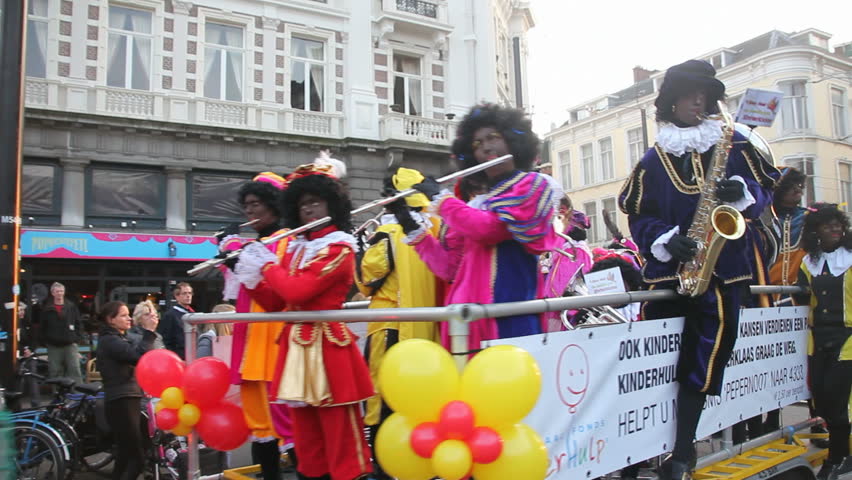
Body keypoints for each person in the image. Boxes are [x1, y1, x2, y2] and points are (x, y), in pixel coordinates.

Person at [618, 60, 779, 480]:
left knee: (703, 359)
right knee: (656, 361)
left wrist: (743, 194)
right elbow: (639, 216)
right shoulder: (653, 161)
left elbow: (764, 194)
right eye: (692, 95)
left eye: (706, 96)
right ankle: (640, 454)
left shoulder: (733, 145)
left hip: (722, 271)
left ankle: (684, 451)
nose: (700, 103)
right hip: (670, 276)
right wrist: (665, 240)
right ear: (671, 101)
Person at [235, 163, 375, 480]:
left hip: (328, 347)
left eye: (315, 202)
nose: (308, 209)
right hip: (295, 346)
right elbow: (276, 303)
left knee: (341, 436)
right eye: (302, 204)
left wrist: (268, 265)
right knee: (307, 438)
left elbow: (298, 290)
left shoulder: (339, 247)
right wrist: (250, 276)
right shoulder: (296, 248)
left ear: (331, 204)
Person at [409, 103, 561, 351]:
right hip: (468, 321)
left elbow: (489, 229)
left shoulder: (531, 185)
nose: (485, 147)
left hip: (507, 316)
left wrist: (442, 200)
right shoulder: (476, 205)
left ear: (513, 140)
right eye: (477, 144)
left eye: (493, 138)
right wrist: (410, 227)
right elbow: (449, 268)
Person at [356, 168, 441, 479]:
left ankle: (383, 466)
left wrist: (359, 247)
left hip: (389, 329)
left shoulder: (390, 232)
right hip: (427, 333)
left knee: (382, 400)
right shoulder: (436, 228)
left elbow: (367, 280)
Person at [218, 172, 296, 480]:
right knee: (260, 427)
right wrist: (229, 257)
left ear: (273, 205)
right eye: (246, 205)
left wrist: (237, 256)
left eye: (256, 204)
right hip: (253, 343)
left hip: (276, 343)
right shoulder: (259, 242)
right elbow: (239, 291)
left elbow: (274, 286)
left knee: (288, 426)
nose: (249, 212)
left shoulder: (288, 238)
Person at [793, 204, 852, 480]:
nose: (835, 229)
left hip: (847, 337)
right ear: (816, 230)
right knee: (821, 399)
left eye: (838, 224)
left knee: (838, 402)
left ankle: (837, 458)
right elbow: (801, 299)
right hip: (818, 339)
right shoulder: (808, 263)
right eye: (828, 225)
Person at [96, 300, 158, 480]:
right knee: (136, 458)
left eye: (128, 314)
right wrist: (149, 333)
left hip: (129, 397)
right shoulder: (109, 340)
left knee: (124, 455)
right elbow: (137, 356)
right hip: (121, 400)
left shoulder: (121, 338)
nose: (128, 318)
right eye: (123, 315)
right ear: (111, 319)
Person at [40, 282, 84, 384]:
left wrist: (76, 338)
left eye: (61, 291)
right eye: (57, 291)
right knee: (55, 371)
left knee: (74, 369)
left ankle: (77, 395)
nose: (60, 293)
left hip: (70, 344)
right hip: (53, 345)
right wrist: (46, 341)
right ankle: (58, 395)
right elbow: (43, 327)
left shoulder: (71, 307)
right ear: (52, 293)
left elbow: (78, 324)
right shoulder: (47, 309)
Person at [157, 282, 194, 359]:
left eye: (190, 293)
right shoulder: (170, 315)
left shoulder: (193, 314)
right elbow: (165, 340)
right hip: (179, 357)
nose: (188, 296)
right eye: (184, 293)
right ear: (177, 296)